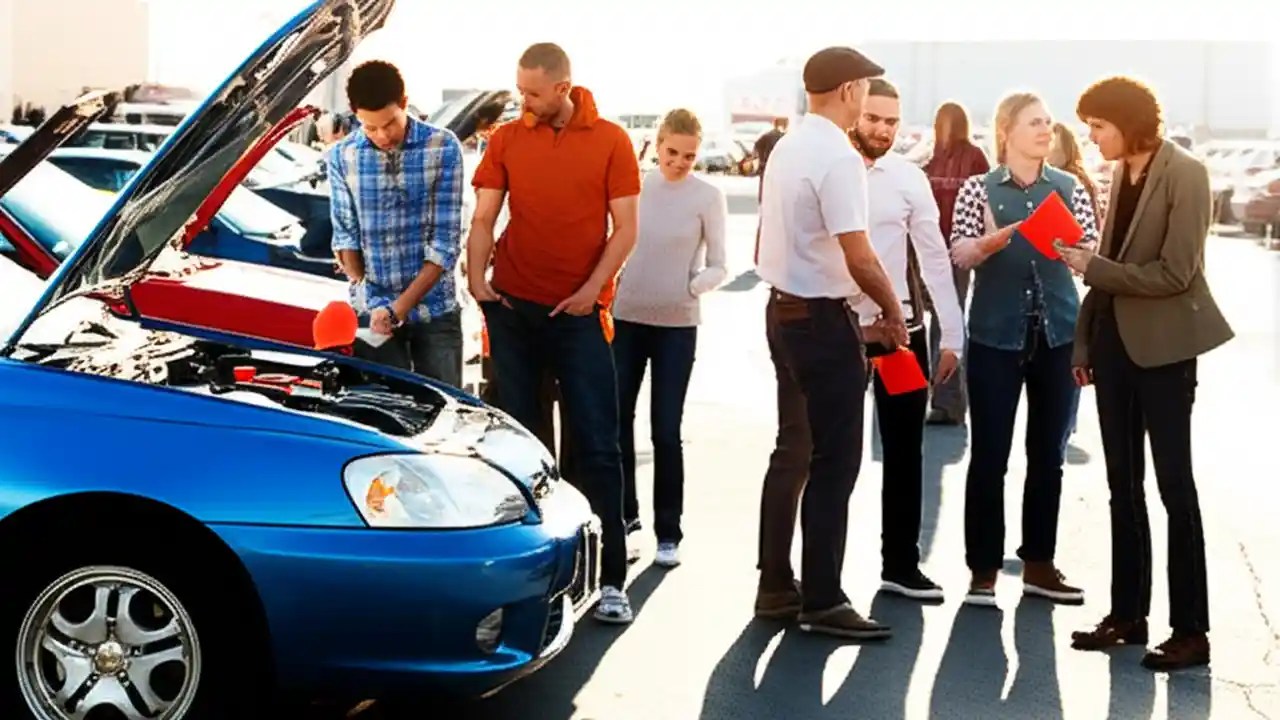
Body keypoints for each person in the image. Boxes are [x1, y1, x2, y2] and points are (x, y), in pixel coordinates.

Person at [466, 42, 641, 624]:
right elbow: (486, 216)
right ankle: (537, 581)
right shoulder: (508, 139)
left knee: (598, 443)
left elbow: (626, 230)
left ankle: (612, 578)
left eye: (533, 92)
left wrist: (594, 290)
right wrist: (476, 277)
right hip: (514, 311)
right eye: (520, 90)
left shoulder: (612, 140)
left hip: (579, 314)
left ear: (564, 87)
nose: (524, 100)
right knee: (521, 444)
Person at [1065, 76, 1232, 671]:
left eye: (1099, 126)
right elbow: (1107, 267)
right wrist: (1085, 341)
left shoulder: (1186, 173)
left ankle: (1191, 632)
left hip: (1164, 353)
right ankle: (1127, 616)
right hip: (1112, 351)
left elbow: (1176, 273)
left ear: (1128, 124)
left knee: (1174, 491)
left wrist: (1095, 267)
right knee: (1121, 488)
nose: (1092, 137)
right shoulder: (1119, 174)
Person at [754, 46, 906, 640]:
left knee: (791, 451)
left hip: (781, 314)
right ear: (848, 91)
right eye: (866, 87)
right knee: (835, 461)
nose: (868, 97)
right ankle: (823, 597)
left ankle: (774, 585)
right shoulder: (838, 157)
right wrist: (894, 312)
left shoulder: (788, 145)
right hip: (821, 322)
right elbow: (858, 252)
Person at [948, 91, 1099, 607]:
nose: (1046, 130)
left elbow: (1092, 253)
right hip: (995, 336)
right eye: (1035, 122)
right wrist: (998, 238)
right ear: (1006, 130)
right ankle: (983, 572)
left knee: (1048, 456)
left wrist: (1076, 251)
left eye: (1049, 123)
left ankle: (1039, 564)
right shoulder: (978, 189)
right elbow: (960, 252)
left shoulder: (1070, 186)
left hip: (1058, 334)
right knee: (989, 455)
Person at [849, 79, 965, 601]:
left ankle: (900, 565)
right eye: (873, 118)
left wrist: (952, 337)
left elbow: (935, 258)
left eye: (891, 122)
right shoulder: (831, 170)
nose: (882, 130)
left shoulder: (908, 179)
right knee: (831, 453)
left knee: (903, 450)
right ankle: (813, 576)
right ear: (854, 112)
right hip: (840, 337)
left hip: (897, 340)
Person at [613, 108, 728, 569]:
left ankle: (669, 532)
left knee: (666, 429)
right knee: (618, 421)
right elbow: (611, 240)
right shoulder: (636, 186)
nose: (680, 162)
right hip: (625, 320)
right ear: (657, 146)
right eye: (673, 152)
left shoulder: (708, 196)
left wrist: (690, 286)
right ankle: (625, 519)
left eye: (690, 155)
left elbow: (721, 263)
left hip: (678, 326)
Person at [327, 60, 465, 386]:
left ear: (404, 103)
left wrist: (398, 309)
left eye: (389, 124)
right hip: (372, 314)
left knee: (446, 417)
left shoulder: (442, 146)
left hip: (435, 311)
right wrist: (368, 295)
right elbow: (345, 236)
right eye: (370, 127)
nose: (382, 136)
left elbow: (445, 244)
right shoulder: (341, 156)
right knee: (385, 418)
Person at [922, 101, 990, 425]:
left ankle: (949, 402)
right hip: (927, 248)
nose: (943, 127)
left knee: (947, 319)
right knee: (920, 319)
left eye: (949, 121)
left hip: (958, 250)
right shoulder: (931, 156)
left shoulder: (974, 156)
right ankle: (925, 393)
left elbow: (987, 200)